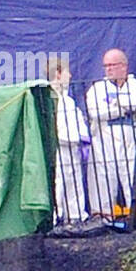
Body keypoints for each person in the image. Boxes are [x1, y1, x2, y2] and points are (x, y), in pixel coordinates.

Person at [86, 49, 136, 220]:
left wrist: (116, 106)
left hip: (133, 139)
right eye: (106, 66)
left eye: (112, 65)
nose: (108, 69)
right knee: (103, 179)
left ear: (124, 66)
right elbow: (96, 112)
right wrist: (125, 108)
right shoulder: (97, 88)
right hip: (105, 140)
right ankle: (103, 218)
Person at [48, 58, 89, 224]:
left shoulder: (69, 100)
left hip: (73, 145)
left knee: (75, 179)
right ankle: (54, 216)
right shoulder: (50, 97)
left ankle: (77, 214)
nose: (70, 75)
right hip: (59, 145)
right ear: (58, 74)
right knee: (58, 181)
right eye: (67, 72)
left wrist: (83, 139)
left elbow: (78, 120)